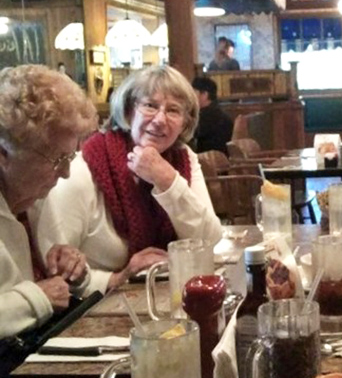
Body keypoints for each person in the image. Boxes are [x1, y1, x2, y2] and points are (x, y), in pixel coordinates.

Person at [35, 65, 222, 294]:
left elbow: (208, 241)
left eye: (173, 110)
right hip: (99, 306)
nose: (160, 119)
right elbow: (54, 268)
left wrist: (167, 181)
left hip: (166, 296)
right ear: (128, 110)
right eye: (150, 105)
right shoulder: (84, 168)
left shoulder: (183, 158)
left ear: (185, 122)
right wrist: (118, 278)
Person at [0, 65, 97, 338]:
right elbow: (41, 297)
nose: (65, 173)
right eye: (56, 159)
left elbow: (58, 289)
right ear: (3, 154)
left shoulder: (36, 198)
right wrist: (37, 298)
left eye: (70, 157)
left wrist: (73, 272)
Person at [191, 76, 233, 153]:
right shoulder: (217, 111)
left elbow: (189, 134)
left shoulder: (210, 116)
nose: (190, 97)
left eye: (193, 92)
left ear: (204, 95)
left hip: (210, 159)